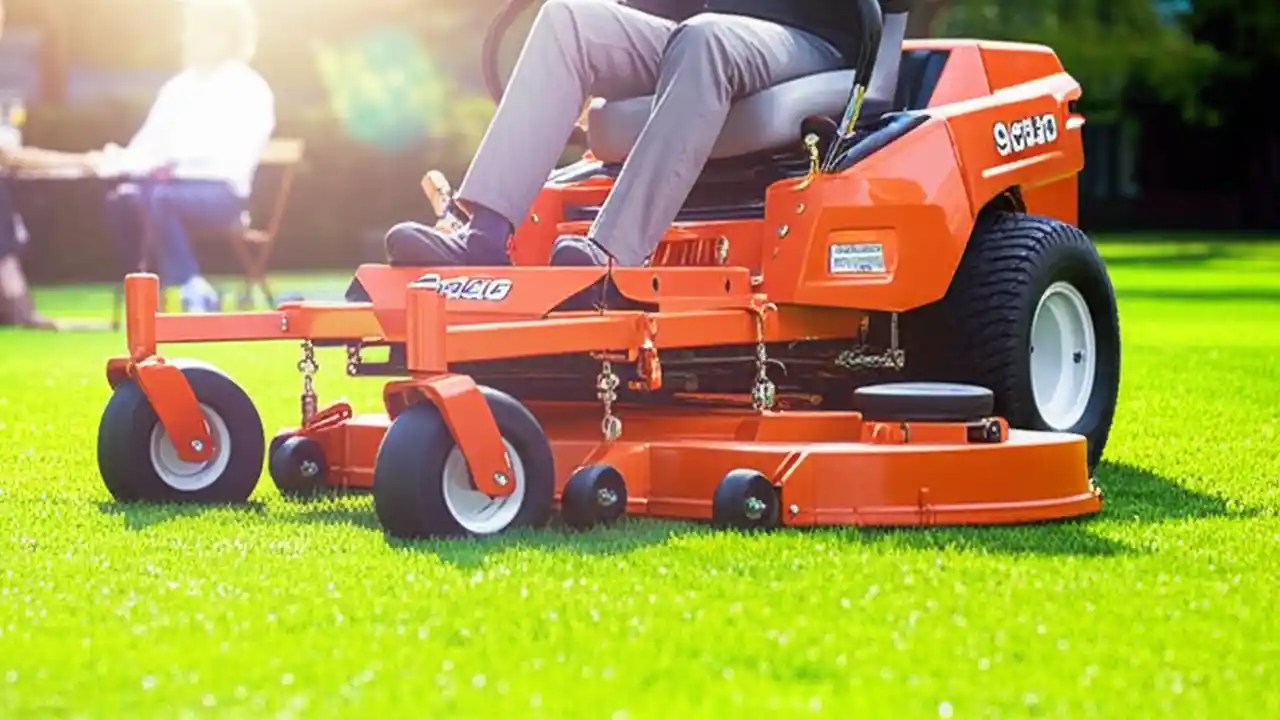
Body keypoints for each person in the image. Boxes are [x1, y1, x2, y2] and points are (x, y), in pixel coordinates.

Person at [387, 0, 909, 270]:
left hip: (815, 43)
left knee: (706, 39)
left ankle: (613, 254)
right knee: (566, 21)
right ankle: (483, 237)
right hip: (707, 29)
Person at [98, 0, 275, 313]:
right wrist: (116, 160)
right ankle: (146, 291)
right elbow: (147, 145)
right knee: (122, 200)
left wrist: (169, 164)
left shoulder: (249, 88)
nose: (188, 38)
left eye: (198, 31)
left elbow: (231, 155)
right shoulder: (176, 88)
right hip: (165, 189)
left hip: (221, 193)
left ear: (224, 36)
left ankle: (190, 288)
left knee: (161, 199)